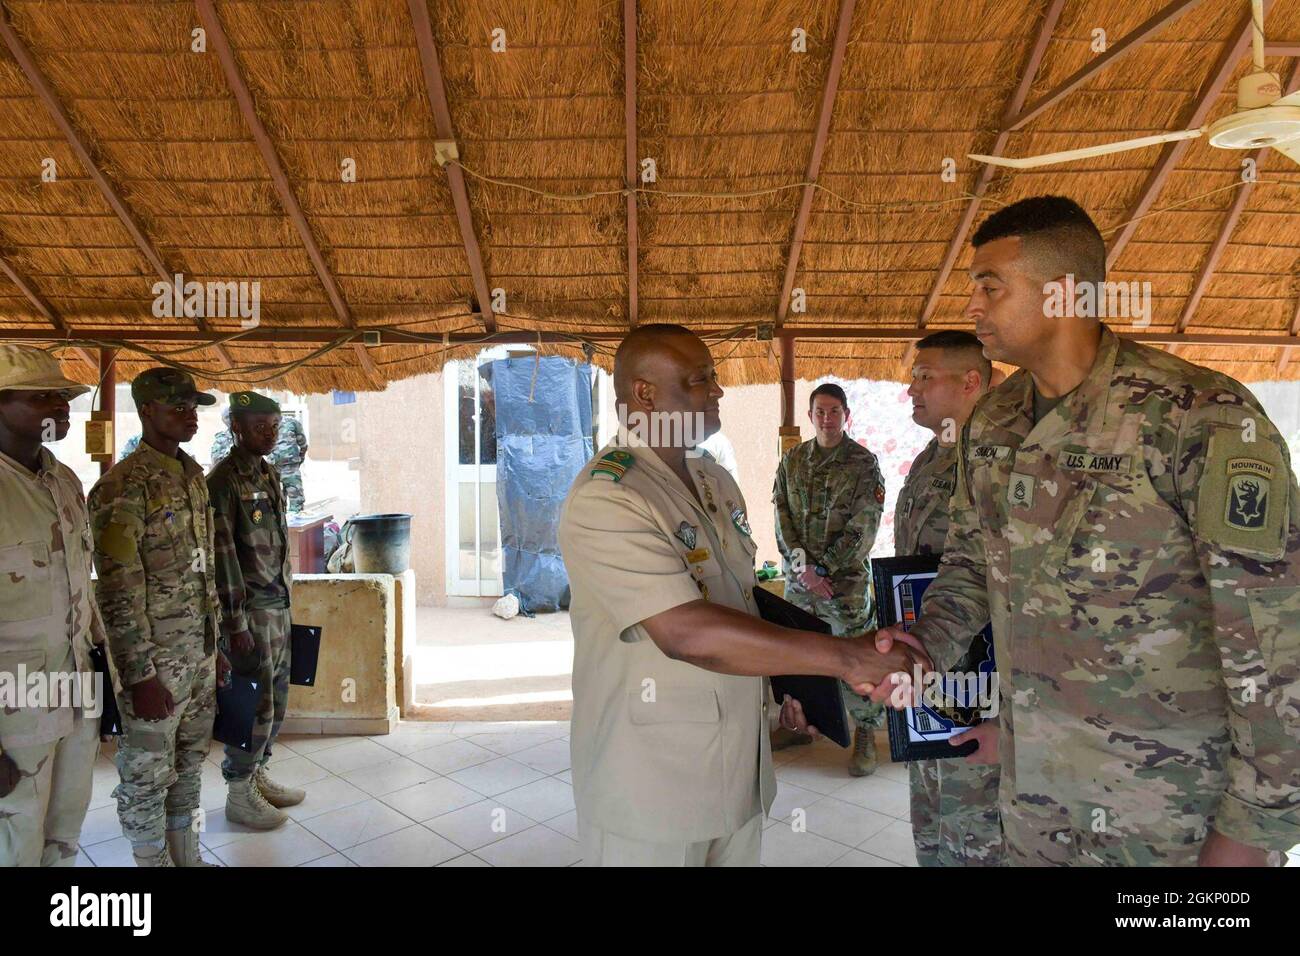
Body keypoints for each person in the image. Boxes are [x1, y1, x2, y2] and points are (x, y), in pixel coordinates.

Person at [875, 195, 1300, 866]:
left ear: (1065, 293)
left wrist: (1254, 827)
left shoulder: (1198, 417)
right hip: (1036, 800)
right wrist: (923, 645)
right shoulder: (995, 423)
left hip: (1171, 810)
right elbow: (969, 566)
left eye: (991, 285)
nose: (972, 307)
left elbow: (1273, 635)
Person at [559, 323, 926, 867]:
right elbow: (686, 633)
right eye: (700, 379)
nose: (718, 390)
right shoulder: (608, 498)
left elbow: (740, 601)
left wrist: (786, 687)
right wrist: (845, 658)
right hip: (651, 785)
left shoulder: (713, 480)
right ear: (644, 394)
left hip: (737, 774)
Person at [88, 367, 226, 867]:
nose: (191, 416)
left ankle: (187, 857)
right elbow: (117, 588)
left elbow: (202, 572)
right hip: (155, 664)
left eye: (194, 407)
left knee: (189, 764)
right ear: (147, 411)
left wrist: (216, 650)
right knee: (147, 772)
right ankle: (150, 864)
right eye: (178, 407)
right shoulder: (122, 487)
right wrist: (140, 674)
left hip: (198, 655)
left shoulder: (191, 475)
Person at [896, 329, 1000, 866]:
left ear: (971, 381)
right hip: (928, 679)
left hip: (981, 684)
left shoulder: (1004, 461)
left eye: (924, 376)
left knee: (976, 832)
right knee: (931, 824)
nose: (911, 388)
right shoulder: (927, 459)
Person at [0, 345, 106, 866]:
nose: (61, 407)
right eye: (41, 396)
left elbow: (81, 593)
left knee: (63, 838)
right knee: (14, 848)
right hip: (12, 715)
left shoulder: (65, 482)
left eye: (63, 397)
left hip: (75, 694)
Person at [772, 382, 886, 775]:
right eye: (820, 411)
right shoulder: (792, 462)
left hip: (844, 587)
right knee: (797, 656)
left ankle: (866, 734)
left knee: (857, 657)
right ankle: (799, 725)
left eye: (834, 410)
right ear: (810, 416)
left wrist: (824, 569)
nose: (827, 418)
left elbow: (863, 526)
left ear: (846, 415)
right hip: (801, 584)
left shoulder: (863, 464)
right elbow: (782, 517)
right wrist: (804, 568)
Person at [207, 391, 304, 829]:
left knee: (276, 698)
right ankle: (239, 791)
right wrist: (235, 624)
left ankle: (258, 771)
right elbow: (223, 557)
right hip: (249, 614)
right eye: (260, 427)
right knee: (251, 702)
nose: (269, 434)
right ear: (236, 428)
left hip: (277, 605)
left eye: (275, 427)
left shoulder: (268, 475)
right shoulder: (223, 481)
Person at [268, 410, 307, 512]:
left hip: (291, 469)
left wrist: (299, 461)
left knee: (297, 503)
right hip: (273, 470)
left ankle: (295, 526)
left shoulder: (292, 422)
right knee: (275, 504)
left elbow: (303, 444)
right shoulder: (265, 425)